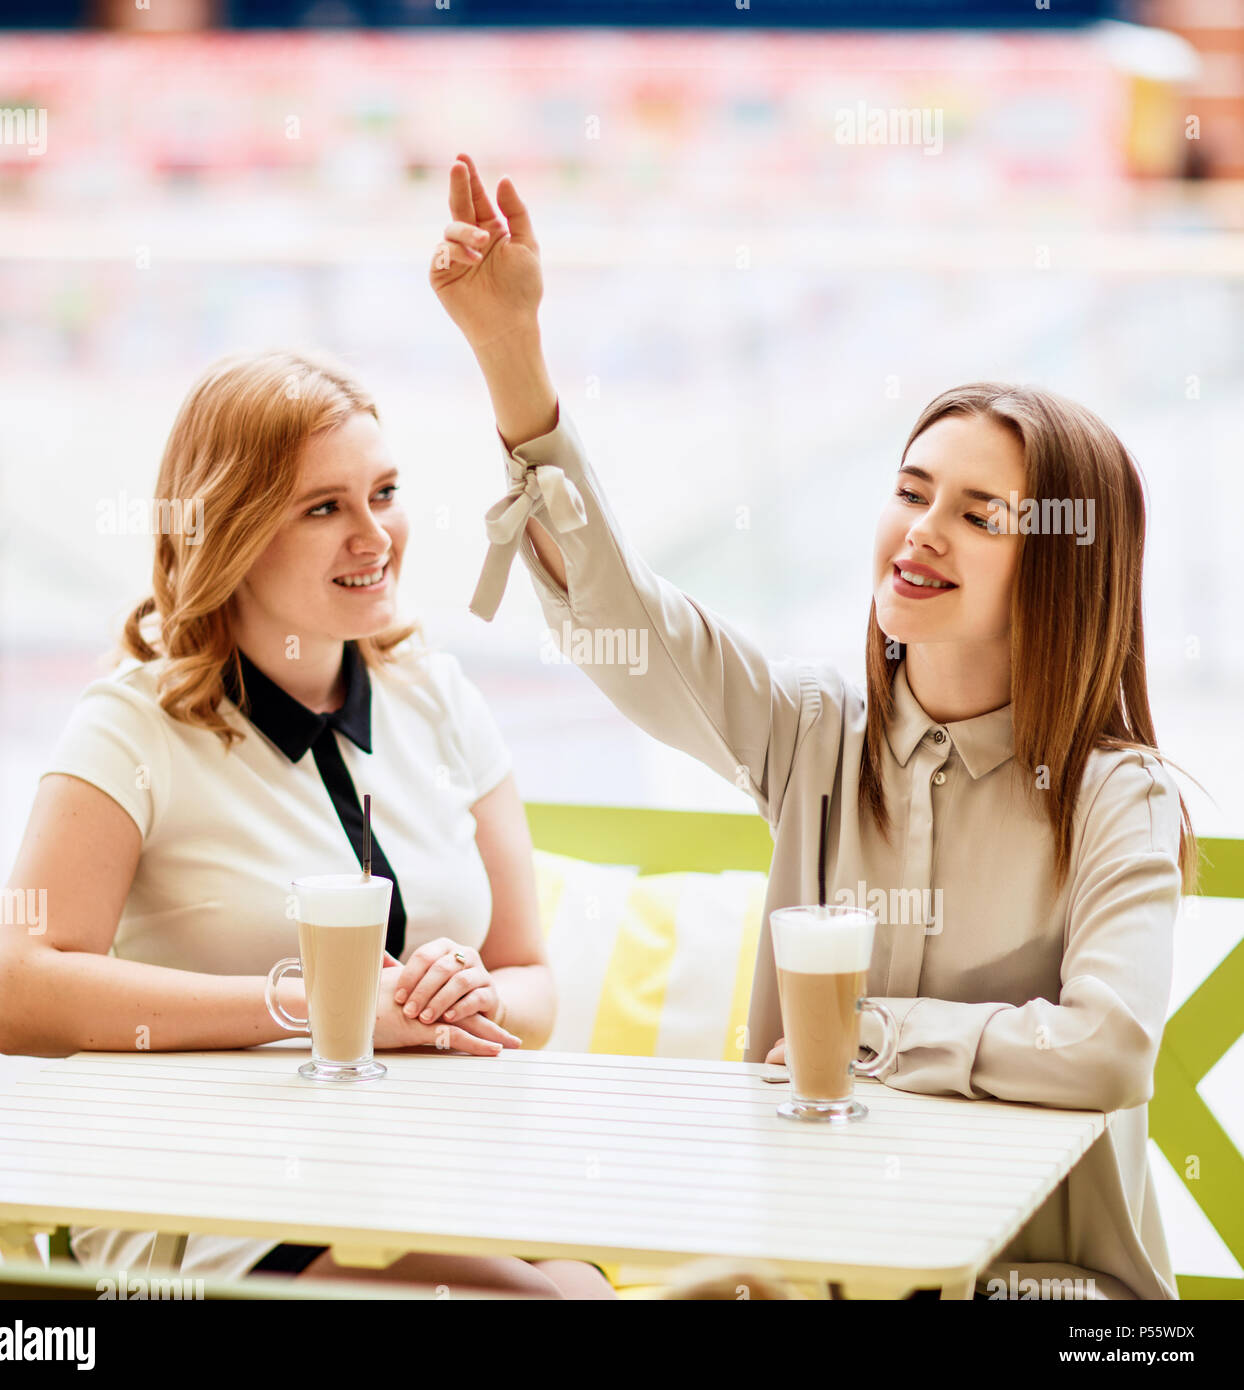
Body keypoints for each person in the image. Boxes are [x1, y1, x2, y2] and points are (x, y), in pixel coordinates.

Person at [430, 152, 1201, 1301]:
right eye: (910, 489)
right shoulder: (812, 731)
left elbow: (1107, 1047)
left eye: (977, 514)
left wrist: (874, 1031)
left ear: (1059, 572)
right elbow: (625, 623)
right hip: (826, 1273)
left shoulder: (1116, 796)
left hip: (1056, 1293)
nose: (920, 530)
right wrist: (509, 351)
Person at [0, 346, 615, 1299]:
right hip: (219, 1200)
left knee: (605, 1289)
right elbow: (17, 992)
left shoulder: (438, 698)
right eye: (325, 508)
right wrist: (319, 1008)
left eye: (385, 493)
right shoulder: (133, 726)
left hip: (435, 1170)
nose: (377, 536)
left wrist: (458, 1005)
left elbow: (531, 982)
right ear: (229, 531)